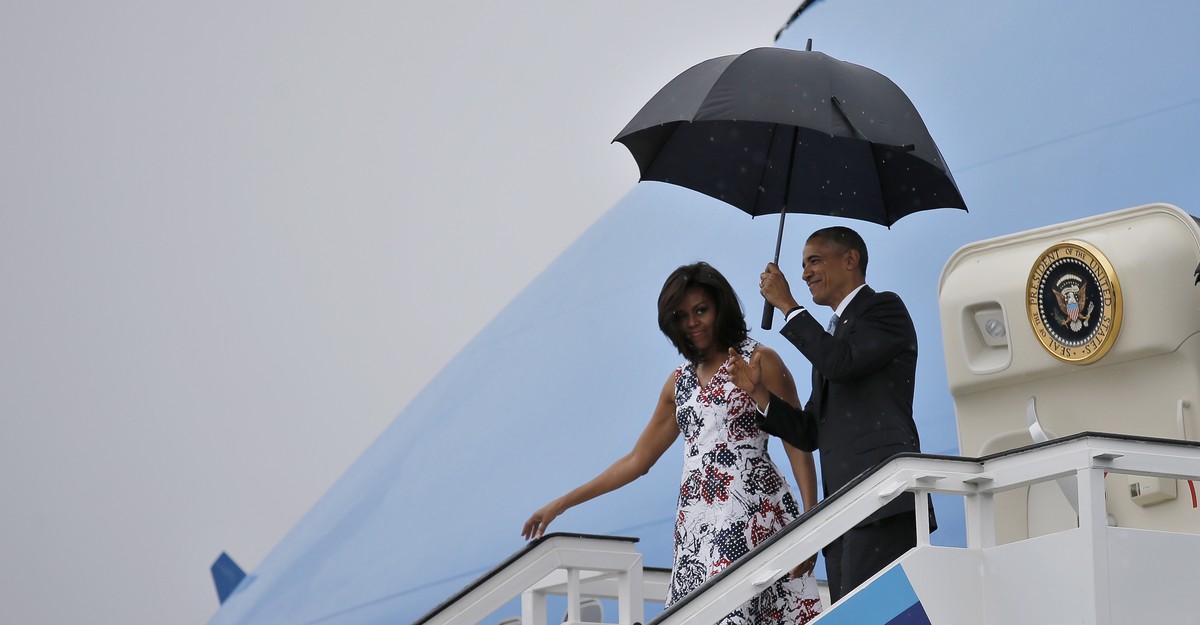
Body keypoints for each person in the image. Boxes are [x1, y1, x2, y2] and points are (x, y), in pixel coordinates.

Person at [522, 262, 822, 624]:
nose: (692, 322)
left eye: (701, 310)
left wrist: (811, 524)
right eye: (681, 315)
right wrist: (561, 503)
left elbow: (798, 446)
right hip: (696, 525)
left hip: (755, 515)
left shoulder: (760, 359)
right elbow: (637, 460)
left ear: (720, 307)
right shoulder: (677, 383)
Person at [728, 226, 934, 603]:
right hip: (843, 516)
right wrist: (759, 393)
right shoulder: (833, 336)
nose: (805, 273)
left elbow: (843, 364)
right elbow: (809, 432)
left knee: (884, 614)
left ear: (851, 260)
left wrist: (790, 308)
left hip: (883, 502)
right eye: (803, 265)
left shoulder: (884, 309)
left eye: (814, 261)